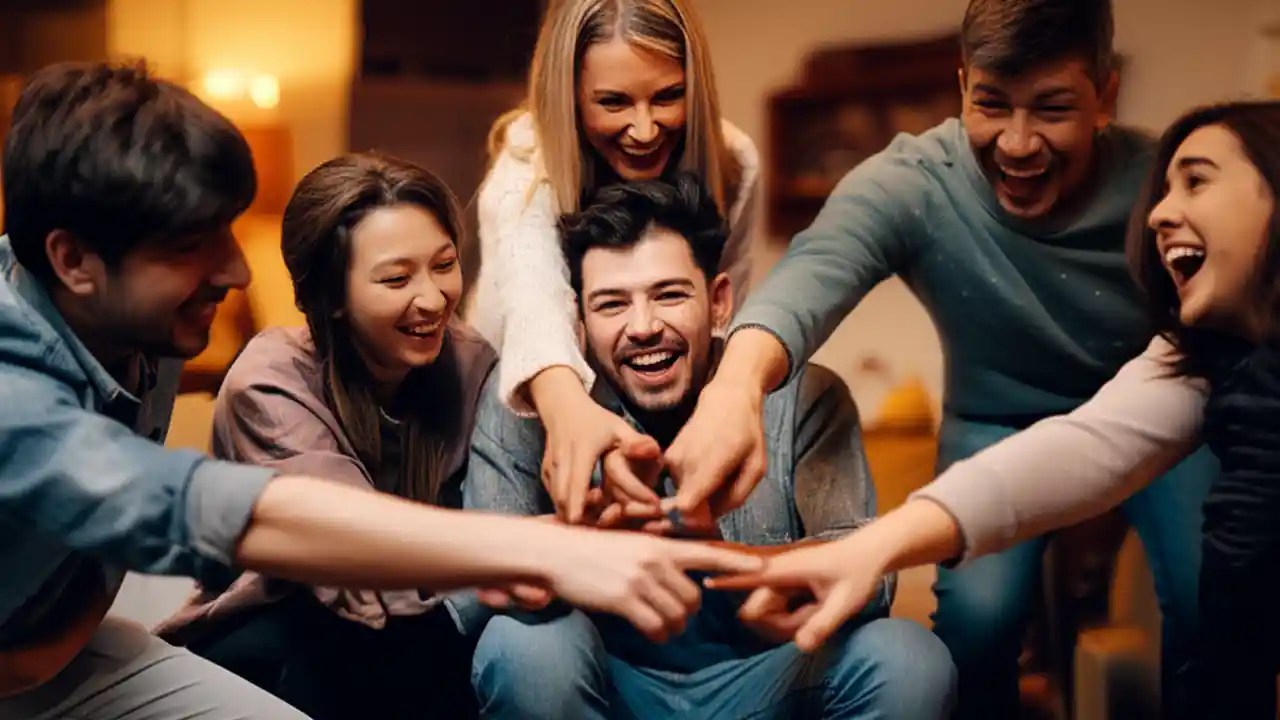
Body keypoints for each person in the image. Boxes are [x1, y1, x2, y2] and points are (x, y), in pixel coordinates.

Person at [0, 61, 760, 720]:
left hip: (59, 655)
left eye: (443, 265)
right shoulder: (16, 391)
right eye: (191, 248)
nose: (236, 271)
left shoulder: (141, 327)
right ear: (74, 262)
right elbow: (204, 506)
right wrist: (544, 549)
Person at [661, 0, 1220, 716]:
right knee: (977, 628)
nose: (1018, 143)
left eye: (1052, 109)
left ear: (1105, 95)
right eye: (992, 104)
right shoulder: (914, 182)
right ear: (962, 87)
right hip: (995, 420)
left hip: (1158, 420)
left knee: (1213, 596)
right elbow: (813, 272)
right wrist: (734, 387)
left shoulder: (1163, 189)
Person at [463, 174, 956, 720]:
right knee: (523, 646)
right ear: (577, 321)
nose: (644, 327)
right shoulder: (528, 402)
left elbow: (871, 582)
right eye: (612, 305)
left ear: (719, 302)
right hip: (607, 680)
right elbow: (476, 588)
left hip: (767, 677)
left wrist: (718, 556)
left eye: (670, 295)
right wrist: (588, 545)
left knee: (908, 658)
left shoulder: (804, 397)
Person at [153, 153, 496, 718]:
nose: (434, 299)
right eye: (397, 278)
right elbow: (355, 550)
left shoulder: (472, 364)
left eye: (444, 265)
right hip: (283, 629)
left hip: (425, 631)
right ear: (330, 296)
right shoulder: (272, 378)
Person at [469, 0, 761, 526]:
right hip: (525, 409)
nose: (645, 130)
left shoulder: (733, 162)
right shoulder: (523, 170)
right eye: (613, 102)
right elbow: (536, 310)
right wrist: (570, 413)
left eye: (668, 96)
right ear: (569, 98)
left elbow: (723, 321)